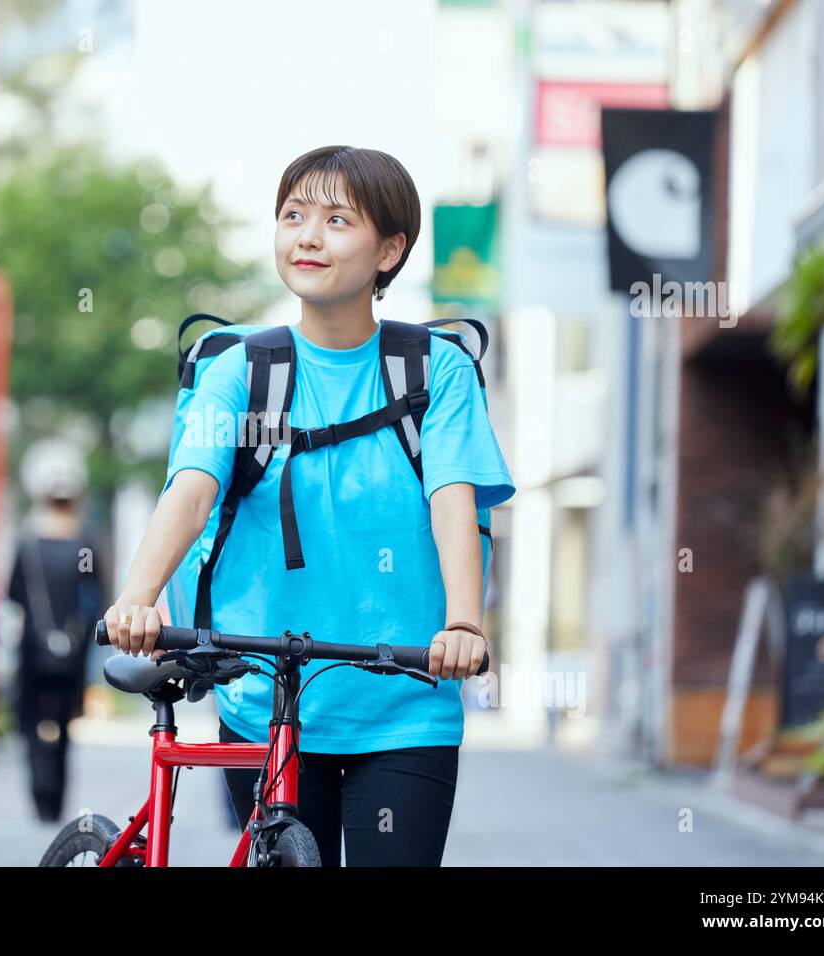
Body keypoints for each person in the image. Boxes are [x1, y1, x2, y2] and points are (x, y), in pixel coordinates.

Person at [103, 146, 515, 866]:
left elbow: (455, 497)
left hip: (407, 703)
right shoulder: (239, 372)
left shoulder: (434, 370)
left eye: (335, 220)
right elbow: (193, 488)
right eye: (293, 215)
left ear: (391, 249)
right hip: (264, 701)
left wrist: (462, 622)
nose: (308, 236)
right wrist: (137, 599)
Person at [7, 442, 105, 823]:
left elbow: (13, 595)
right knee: (64, 726)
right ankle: (57, 799)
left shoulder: (27, 545)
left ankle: (39, 792)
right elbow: (96, 597)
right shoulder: (87, 544)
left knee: (31, 722)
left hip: (31, 647)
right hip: (74, 649)